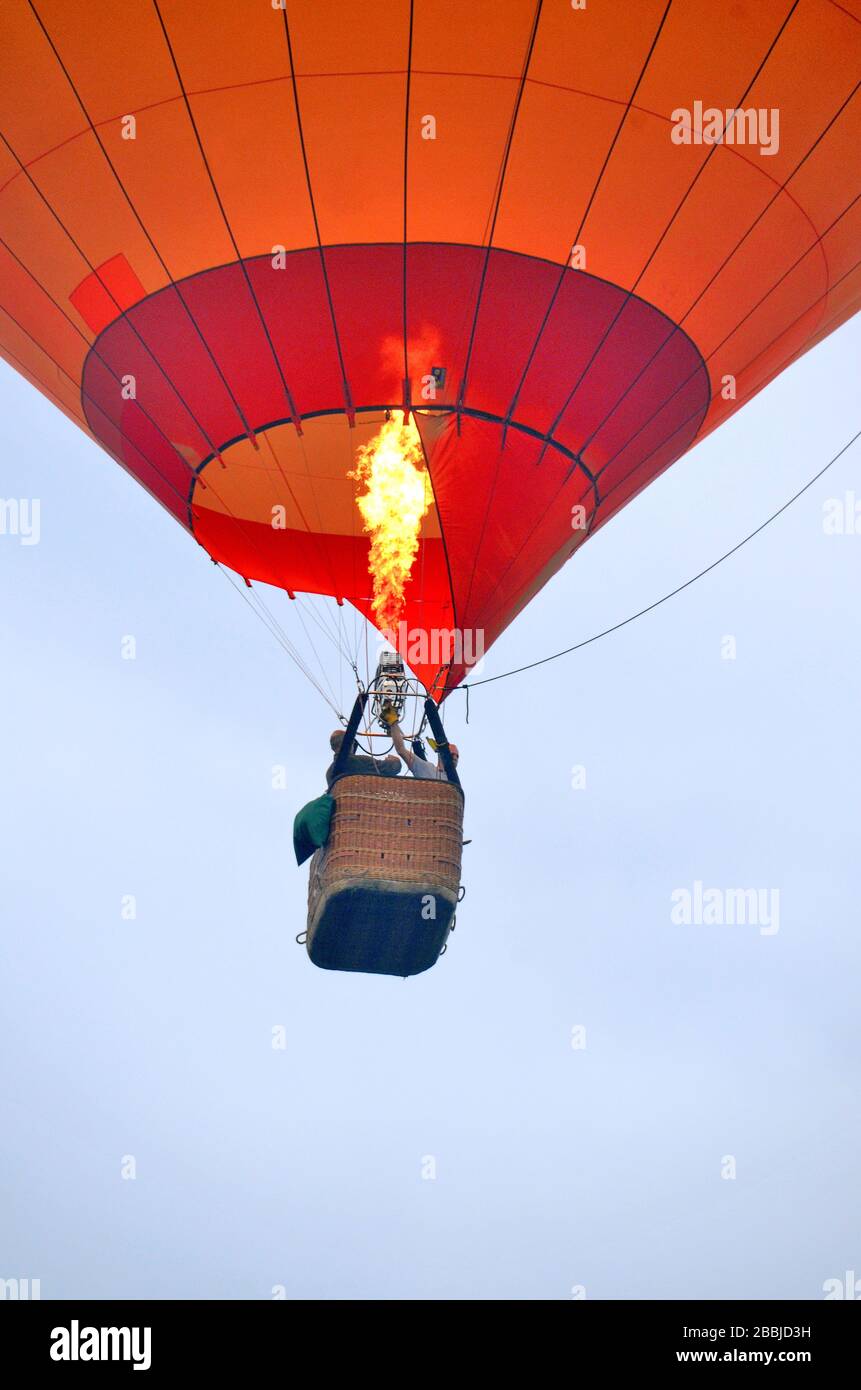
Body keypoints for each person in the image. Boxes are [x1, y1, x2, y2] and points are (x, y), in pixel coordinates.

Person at [325, 729, 401, 790]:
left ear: (332, 748)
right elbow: (392, 768)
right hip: (365, 805)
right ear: (351, 743)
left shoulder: (329, 773)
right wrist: (394, 760)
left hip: (343, 808)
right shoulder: (361, 761)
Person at [387, 719, 459, 781]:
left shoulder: (454, 783)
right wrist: (393, 722)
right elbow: (401, 750)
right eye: (452, 754)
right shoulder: (427, 768)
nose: (455, 758)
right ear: (441, 754)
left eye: (457, 756)